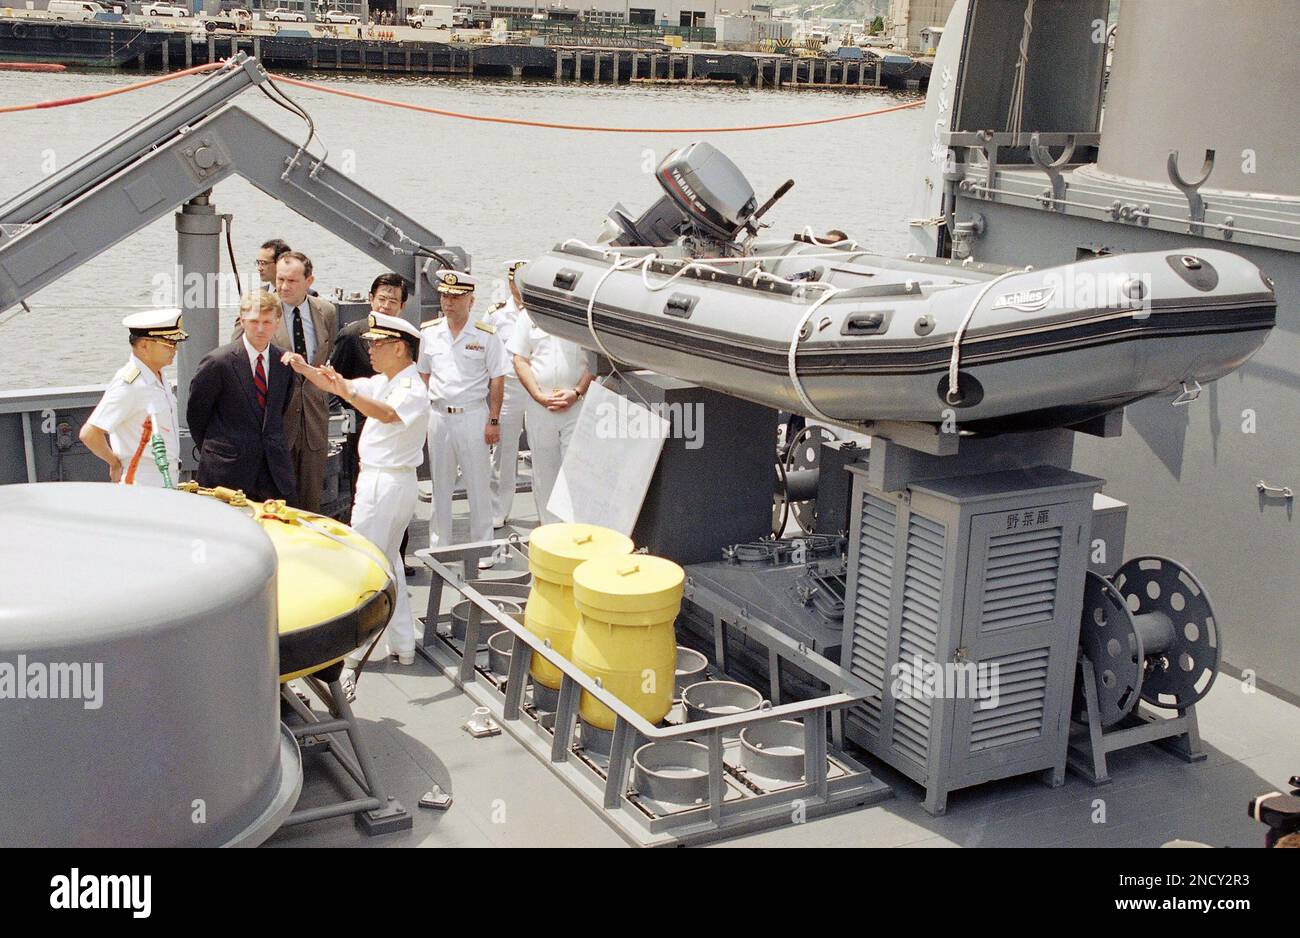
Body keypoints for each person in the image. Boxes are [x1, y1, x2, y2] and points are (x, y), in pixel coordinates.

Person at [284, 312, 429, 698]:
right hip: (381, 481)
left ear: (400, 348)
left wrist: (347, 392)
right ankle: (402, 645)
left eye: (377, 345)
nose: (369, 350)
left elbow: (383, 412)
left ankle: (349, 661)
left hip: (388, 483)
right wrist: (305, 369)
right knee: (390, 562)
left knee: (362, 566)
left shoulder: (411, 389)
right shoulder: (385, 381)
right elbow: (342, 384)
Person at [417, 270, 509, 568]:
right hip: (440, 416)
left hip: (473, 415)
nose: (449, 302)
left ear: (471, 300)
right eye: (445, 295)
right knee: (440, 486)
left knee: (478, 485)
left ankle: (483, 548)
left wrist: (493, 420)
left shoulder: (485, 334)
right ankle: (440, 550)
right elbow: (424, 373)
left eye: (456, 297)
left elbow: (497, 378)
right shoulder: (430, 333)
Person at [188, 291, 298, 503]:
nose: (260, 328)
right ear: (242, 320)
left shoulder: (283, 362)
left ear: (277, 322)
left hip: (273, 472)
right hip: (227, 473)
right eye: (254, 321)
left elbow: (279, 411)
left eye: (267, 322)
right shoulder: (218, 362)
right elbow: (197, 415)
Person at [509, 294, 594, 525]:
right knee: (544, 476)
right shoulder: (529, 315)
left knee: (577, 475)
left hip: (576, 406)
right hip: (540, 407)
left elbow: (596, 360)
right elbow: (520, 359)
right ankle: (549, 533)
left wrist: (577, 392)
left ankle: (577, 534)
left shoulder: (583, 316)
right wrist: (537, 394)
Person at [80, 309, 187, 488]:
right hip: (142, 482)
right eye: (169, 344)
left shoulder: (158, 377)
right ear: (145, 345)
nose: (175, 350)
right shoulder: (130, 384)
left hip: (165, 479)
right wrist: (114, 463)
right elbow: (89, 433)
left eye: (175, 343)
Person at [274, 250, 337, 513]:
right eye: (280, 280)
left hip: (314, 419)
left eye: (292, 281)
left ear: (309, 281)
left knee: (310, 500)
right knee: (276, 500)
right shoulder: (263, 310)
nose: (284, 287)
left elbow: (326, 353)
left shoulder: (326, 312)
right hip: (276, 420)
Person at [488, 259, 530, 528]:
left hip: (541, 387)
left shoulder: (543, 312)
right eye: (515, 281)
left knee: (545, 449)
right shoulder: (497, 314)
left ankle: (550, 512)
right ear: (510, 282)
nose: (519, 287)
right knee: (504, 451)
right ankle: (498, 509)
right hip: (511, 387)